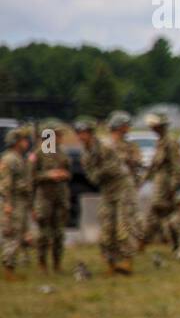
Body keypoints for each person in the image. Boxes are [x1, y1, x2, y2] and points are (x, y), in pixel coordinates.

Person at [75, 115, 139, 275]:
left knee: (123, 225)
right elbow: (91, 177)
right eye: (79, 133)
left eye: (84, 132)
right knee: (106, 228)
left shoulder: (105, 147)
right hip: (107, 190)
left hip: (122, 187)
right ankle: (111, 263)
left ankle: (127, 261)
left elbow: (115, 167)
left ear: (91, 133)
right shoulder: (85, 154)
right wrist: (99, 175)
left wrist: (99, 173)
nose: (81, 136)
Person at [31, 120, 73, 273]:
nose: (60, 137)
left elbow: (69, 173)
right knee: (43, 234)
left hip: (60, 198)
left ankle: (57, 263)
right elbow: (32, 177)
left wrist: (64, 175)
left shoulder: (62, 152)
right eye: (57, 134)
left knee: (59, 233)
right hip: (44, 199)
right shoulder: (39, 154)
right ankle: (42, 263)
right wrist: (48, 175)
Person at [138, 111, 180, 252]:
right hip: (160, 184)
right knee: (166, 215)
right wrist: (142, 180)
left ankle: (143, 241)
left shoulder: (170, 143)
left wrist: (173, 186)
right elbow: (153, 165)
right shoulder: (160, 142)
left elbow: (177, 167)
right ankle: (175, 243)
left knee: (157, 212)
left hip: (166, 185)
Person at [1, 126, 34, 281]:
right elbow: (6, 184)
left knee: (19, 235)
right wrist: (7, 204)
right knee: (12, 235)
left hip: (21, 201)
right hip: (13, 201)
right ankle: (8, 270)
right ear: (16, 142)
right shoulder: (10, 159)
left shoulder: (21, 158)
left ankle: (12, 268)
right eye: (23, 139)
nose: (26, 142)